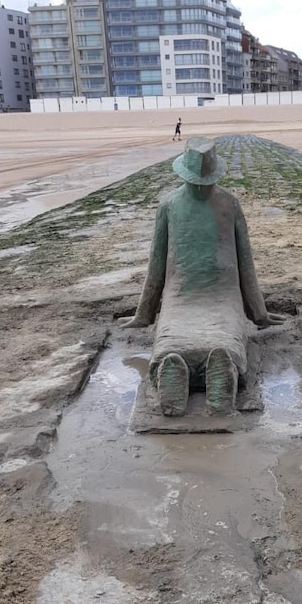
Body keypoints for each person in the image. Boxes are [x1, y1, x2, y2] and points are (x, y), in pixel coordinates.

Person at [123, 137, 283, 416]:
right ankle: (218, 368)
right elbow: (246, 266)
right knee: (226, 338)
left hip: (187, 297)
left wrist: (145, 314)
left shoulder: (170, 204)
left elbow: (156, 268)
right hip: (215, 297)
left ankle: (175, 367)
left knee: (172, 338)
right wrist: (258, 312)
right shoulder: (228, 203)